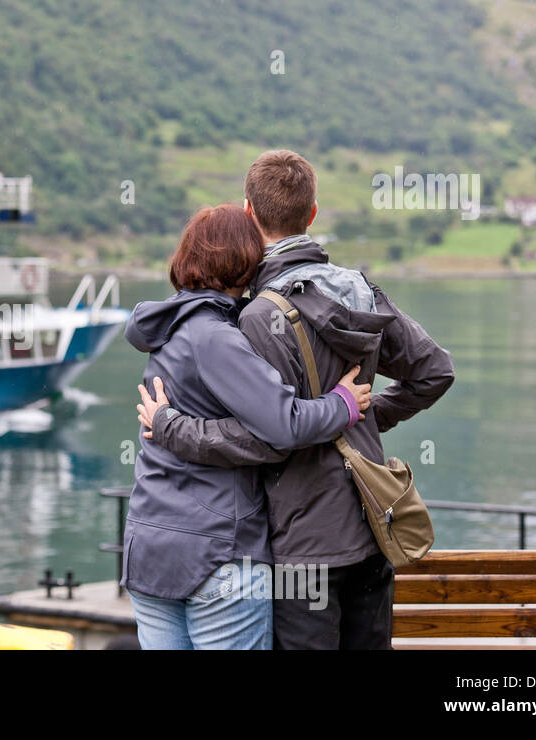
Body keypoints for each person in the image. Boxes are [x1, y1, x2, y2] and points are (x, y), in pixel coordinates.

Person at [137, 150, 454, 650]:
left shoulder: (254, 318)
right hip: (374, 527)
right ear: (312, 213)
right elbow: (434, 372)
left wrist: (172, 427)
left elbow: (270, 439)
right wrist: (361, 419)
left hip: (301, 547)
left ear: (247, 212)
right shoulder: (361, 290)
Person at [123, 203, 371, 650]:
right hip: (217, 554)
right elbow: (283, 426)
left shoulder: (167, 329)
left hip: (150, 549)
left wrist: (168, 425)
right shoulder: (216, 338)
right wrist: (342, 404)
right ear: (243, 261)